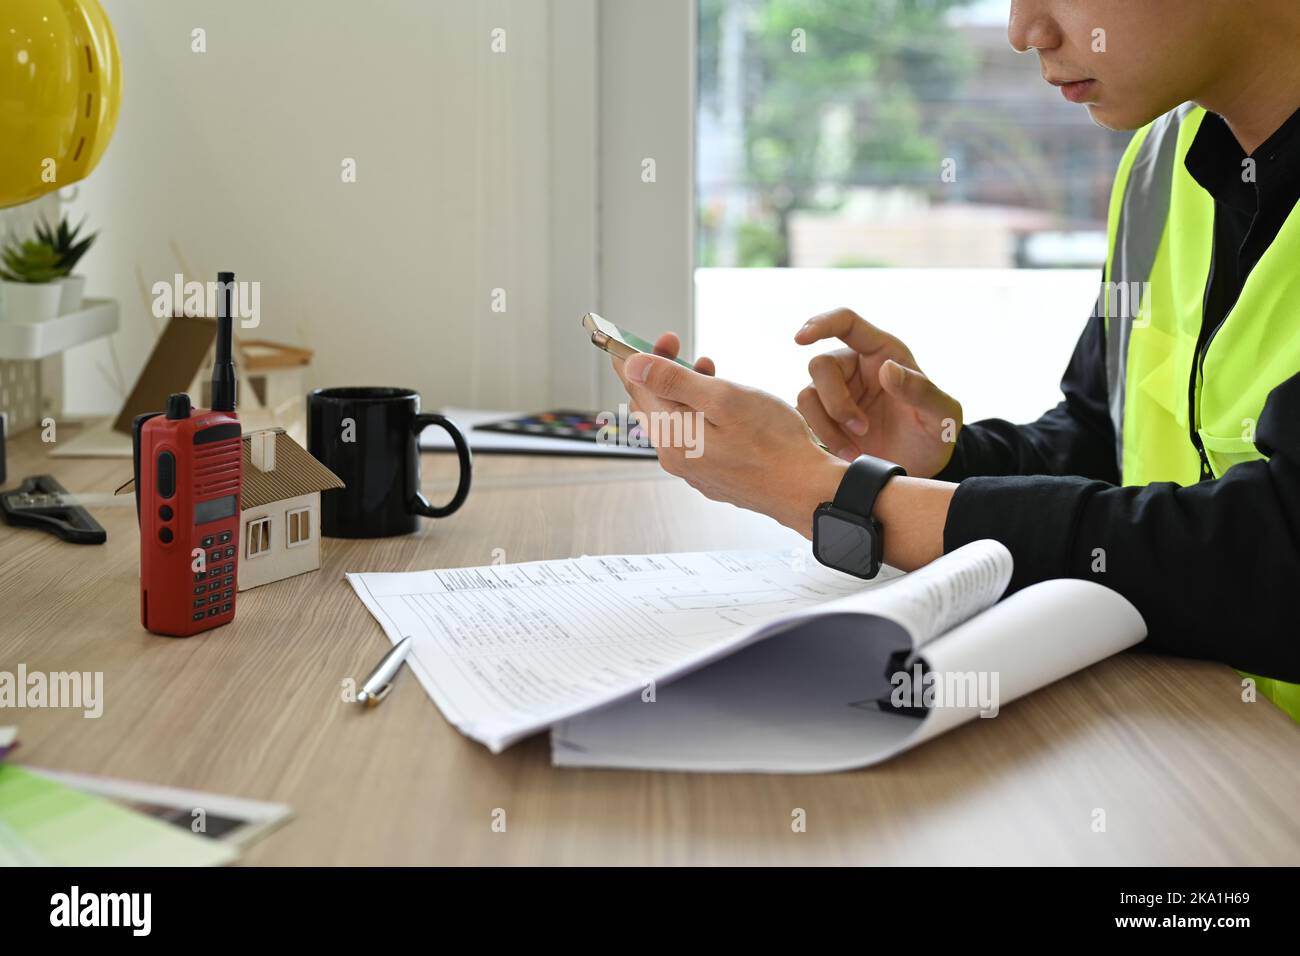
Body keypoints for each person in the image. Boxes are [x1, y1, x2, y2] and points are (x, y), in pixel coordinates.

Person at [612, 0, 1300, 721]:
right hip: (1195, 739)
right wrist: (941, 461)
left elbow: (1274, 548)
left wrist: (828, 495)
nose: (1023, 29)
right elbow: (1107, 446)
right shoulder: (1162, 163)